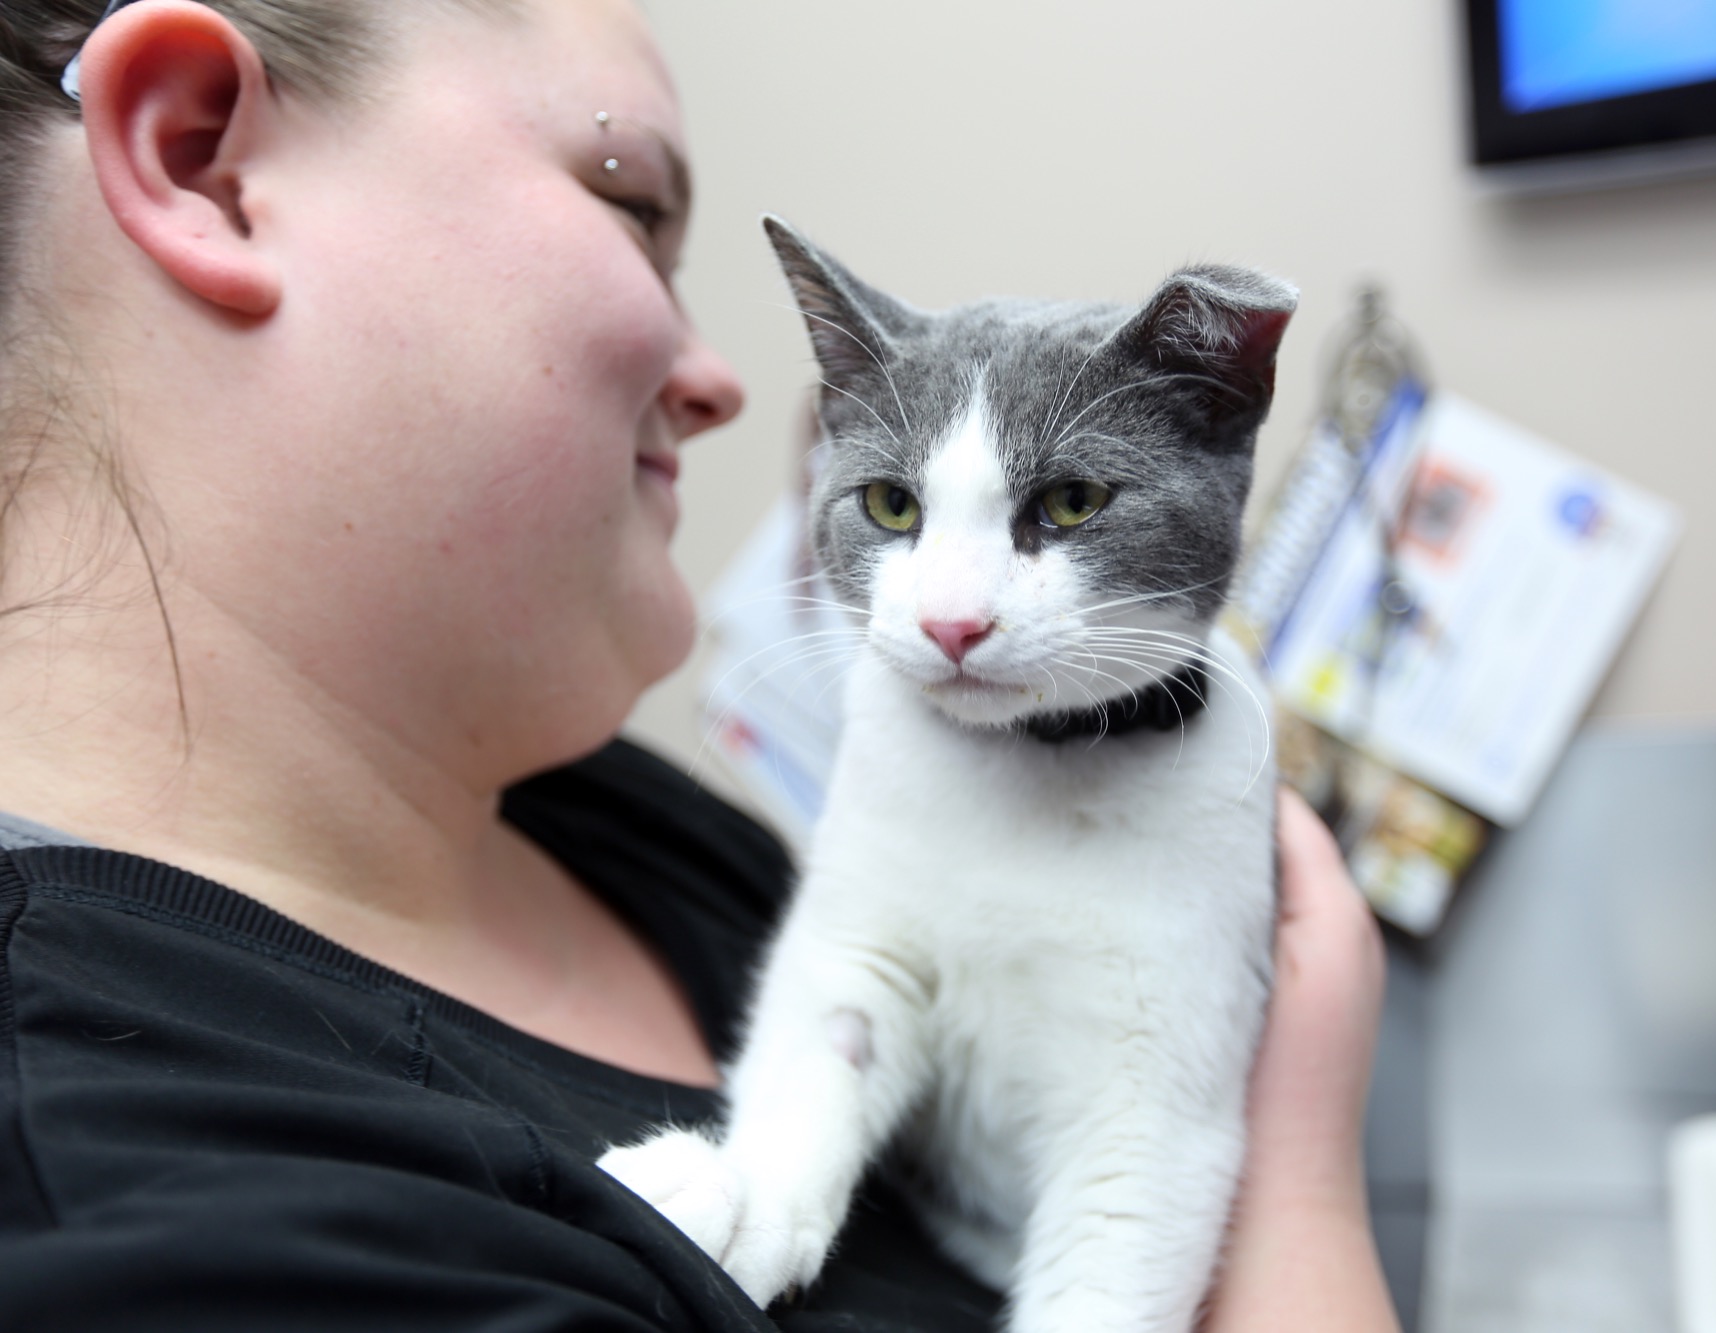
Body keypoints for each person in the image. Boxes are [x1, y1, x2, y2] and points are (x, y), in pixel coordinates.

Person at [0, 1, 1400, 1328]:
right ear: (202, 156)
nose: (728, 379)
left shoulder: (637, 832)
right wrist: (1304, 1195)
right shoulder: (114, 1156)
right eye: (628, 202)